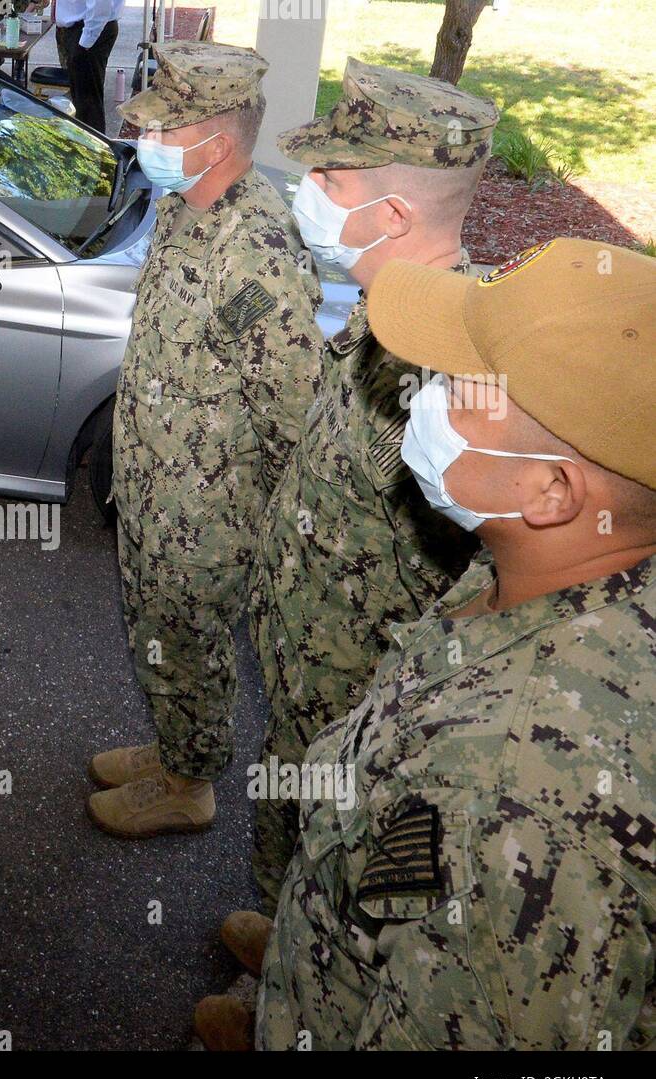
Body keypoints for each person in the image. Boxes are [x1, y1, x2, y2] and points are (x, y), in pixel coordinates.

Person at [237, 238, 656, 1050]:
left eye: (461, 388)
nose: (421, 397)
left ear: (550, 491)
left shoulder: (519, 812)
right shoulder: (538, 571)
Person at [230, 60, 500, 962]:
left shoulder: (461, 385)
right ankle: (273, 935)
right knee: (288, 831)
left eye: (328, 181)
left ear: (390, 215)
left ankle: (286, 992)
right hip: (305, 665)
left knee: (341, 879)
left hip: (362, 705)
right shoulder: (386, 319)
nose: (304, 193)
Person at [86, 43, 323, 840]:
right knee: (157, 633)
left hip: (207, 512)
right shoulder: (189, 203)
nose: (144, 139)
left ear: (215, 144)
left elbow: (292, 407)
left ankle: (190, 783)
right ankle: (174, 747)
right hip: (157, 487)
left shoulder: (253, 248)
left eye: (161, 128)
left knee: (189, 640)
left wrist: (278, 532)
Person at [55, 0, 125, 132]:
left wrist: (86, 41)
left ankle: (93, 148)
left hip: (88, 29)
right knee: (84, 103)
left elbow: (100, 5)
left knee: (88, 106)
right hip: (84, 29)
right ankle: (89, 145)